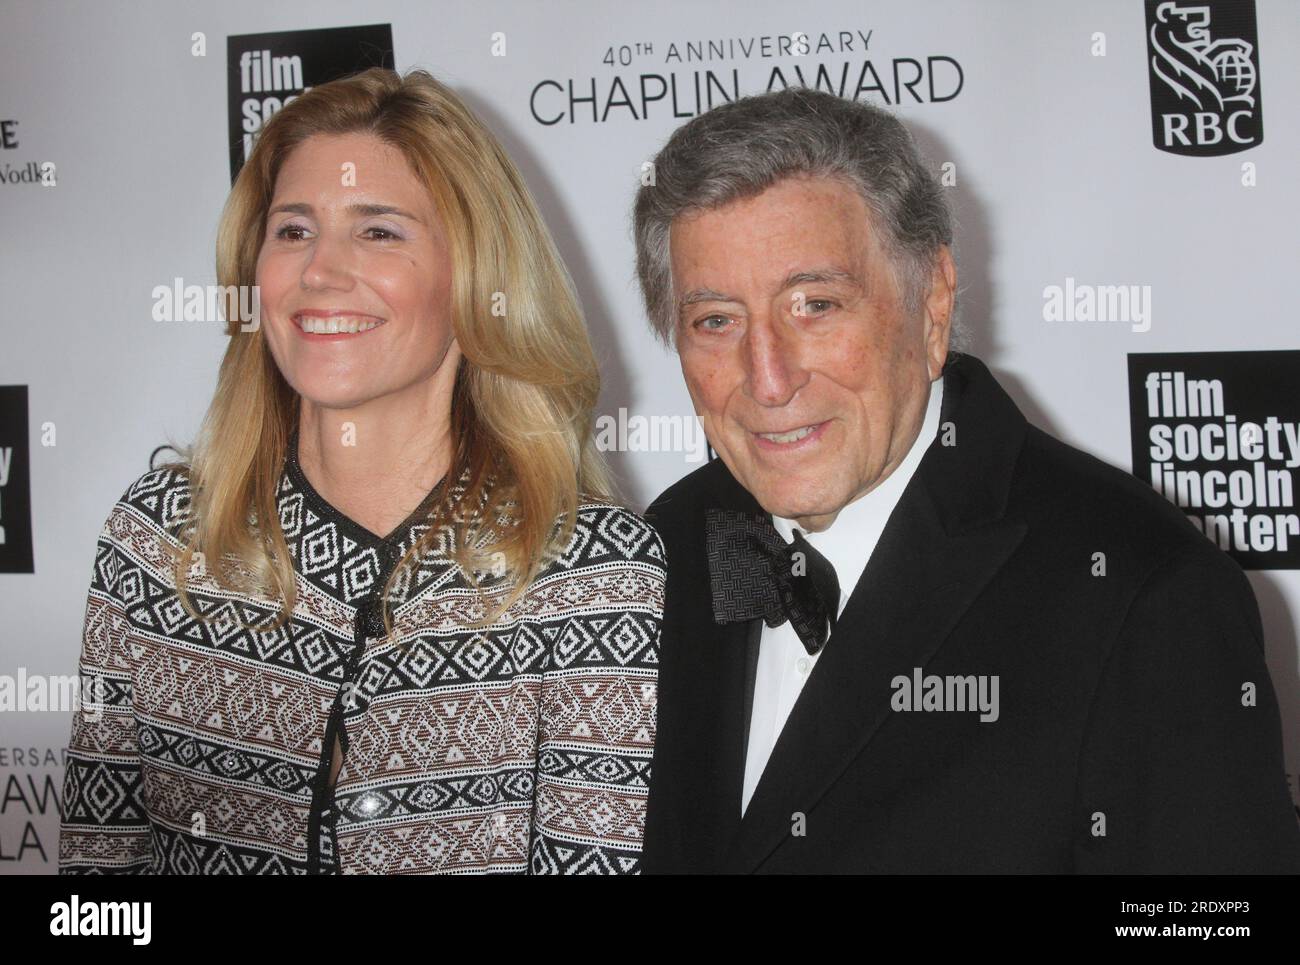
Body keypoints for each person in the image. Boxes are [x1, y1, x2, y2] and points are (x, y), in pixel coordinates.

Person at [632, 85, 1300, 873]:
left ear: (933, 304)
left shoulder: (1141, 591)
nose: (768, 378)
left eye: (814, 305)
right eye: (717, 321)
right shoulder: (663, 550)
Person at [59, 68, 664, 874]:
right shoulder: (158, 540)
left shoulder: (596, 573)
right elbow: (93, 893)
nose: (320, 271)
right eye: (294, 230)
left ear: (474, 275)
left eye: (379, 231)